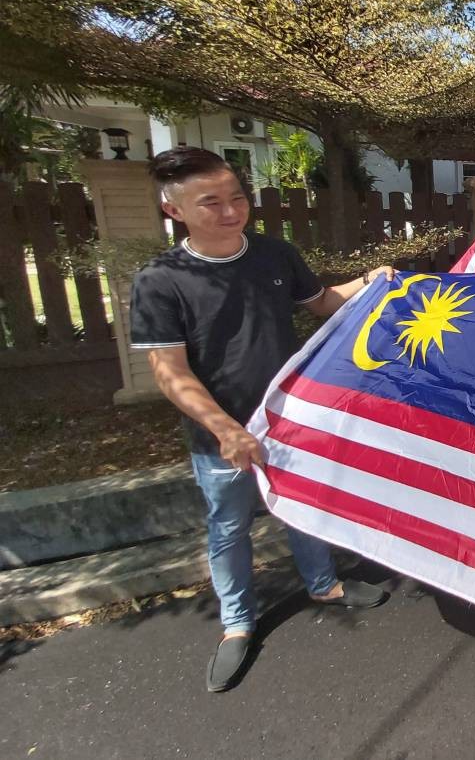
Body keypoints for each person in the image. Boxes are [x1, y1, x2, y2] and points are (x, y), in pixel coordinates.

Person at [129, 147, 396, 693]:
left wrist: (371, 281)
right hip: (220, 436)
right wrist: (226, 429)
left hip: (288, 419)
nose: (231, 211)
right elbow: (170, 371)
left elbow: (324, 302)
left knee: (302, 506)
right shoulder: (161, 279)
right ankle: (237, 623)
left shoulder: (275, 253)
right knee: (229, 527)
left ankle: (324, 585)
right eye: (212, 203)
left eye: (237, 197)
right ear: (174, 210)